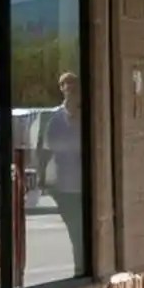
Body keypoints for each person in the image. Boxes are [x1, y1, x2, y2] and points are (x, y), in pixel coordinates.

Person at [38, 72, 87, 275]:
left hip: (86, 183)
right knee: (75, 229)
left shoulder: (88, 116)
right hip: (64, 186)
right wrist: (41, 178)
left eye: (74, 86)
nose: (71, 90)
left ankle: (82, 267)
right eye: (66, 86)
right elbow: (45, 151)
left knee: (82, 230)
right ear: (61, 89)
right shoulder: (55, 119)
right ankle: (81, 268)